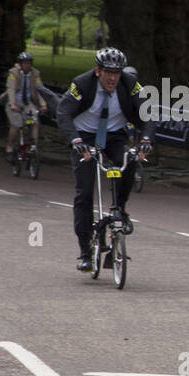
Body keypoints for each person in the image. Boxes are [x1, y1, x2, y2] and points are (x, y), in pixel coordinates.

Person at [57, 48, 156, 272]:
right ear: (97, 71)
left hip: (114, 135)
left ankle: (120, 208)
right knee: (84, 193)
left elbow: (148, 113)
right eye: (108, 72)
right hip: (84, 136)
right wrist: (75, 141)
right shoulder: (82, 84)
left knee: (129, 160)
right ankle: (85, 252)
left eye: (117, 73)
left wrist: (146, 140)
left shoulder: (130, 83)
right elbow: (63, 112)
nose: (113, 78)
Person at [4, 51, 48, 165]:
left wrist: (43, 104)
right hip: (15, 101)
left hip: (28, 102)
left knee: (34, 121)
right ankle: (9, 147)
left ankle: (33, 148)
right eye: (24, 63)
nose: (27, 65)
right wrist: (13, 103)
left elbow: (39, 89)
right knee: (17, 124)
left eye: (29, 63)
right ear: (20, 64)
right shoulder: (13, 72)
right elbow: (11, 89)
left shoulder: (35, 74)